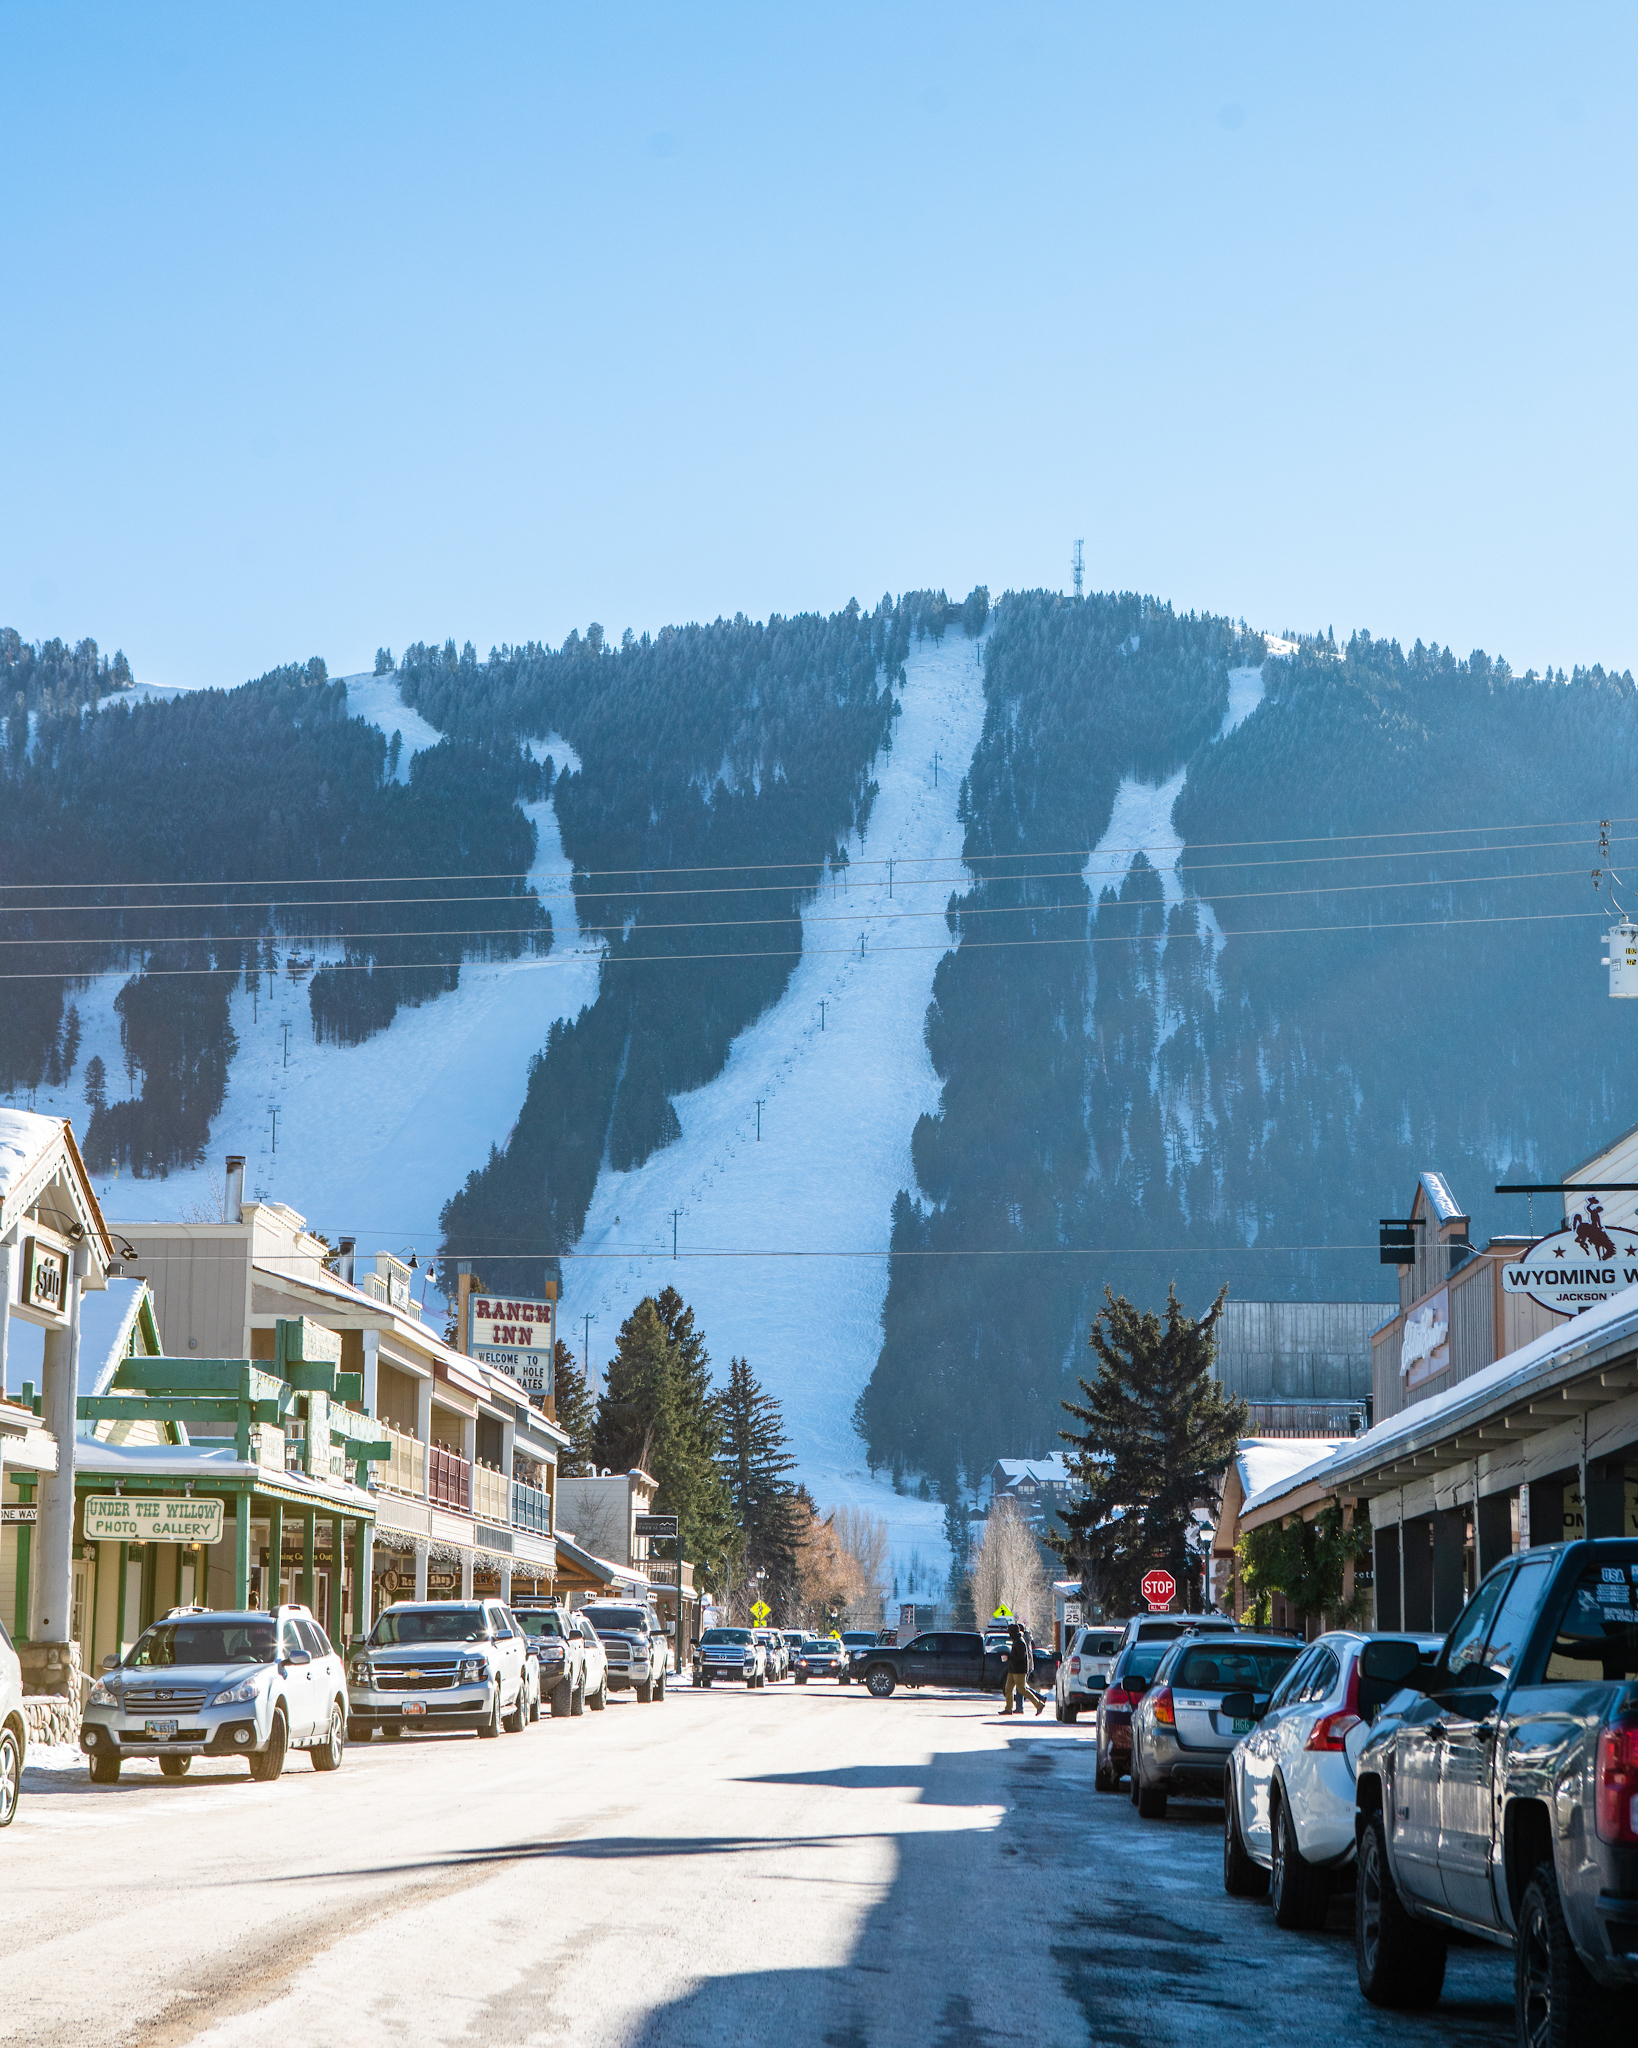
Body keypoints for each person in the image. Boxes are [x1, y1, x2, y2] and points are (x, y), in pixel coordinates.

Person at [1002, 1621, 1045, 1715]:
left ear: (1013, 1633)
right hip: (1012, 1669)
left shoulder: (1020, 1642)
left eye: (1009, 1632)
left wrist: (1008, 1658)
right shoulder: (1016, 1641)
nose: (1008, 1634)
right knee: (1008, 1689)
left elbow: (1020, 1657)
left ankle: (1039, 1704)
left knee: (1022, 1690)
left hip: (1020, 1670)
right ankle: (1008, 1708)